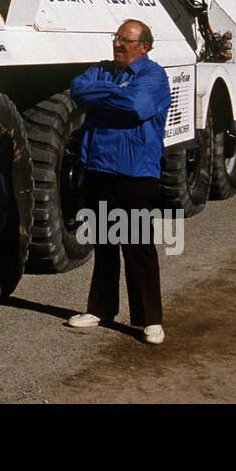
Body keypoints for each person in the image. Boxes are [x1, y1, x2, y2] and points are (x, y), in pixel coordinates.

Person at [66, 19, 173, 344]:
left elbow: (136, 108)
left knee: (137, 244)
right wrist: (116, 92)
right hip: (99, 166)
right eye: (116, 38)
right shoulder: (103, 70)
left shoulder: (153, 76)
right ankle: (100, 309)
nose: (118, 45)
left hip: (135, 171)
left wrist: (102, 100)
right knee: (104, 242)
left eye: (126, 41)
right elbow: (78, 88)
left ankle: (149, 320)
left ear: (145, 47)